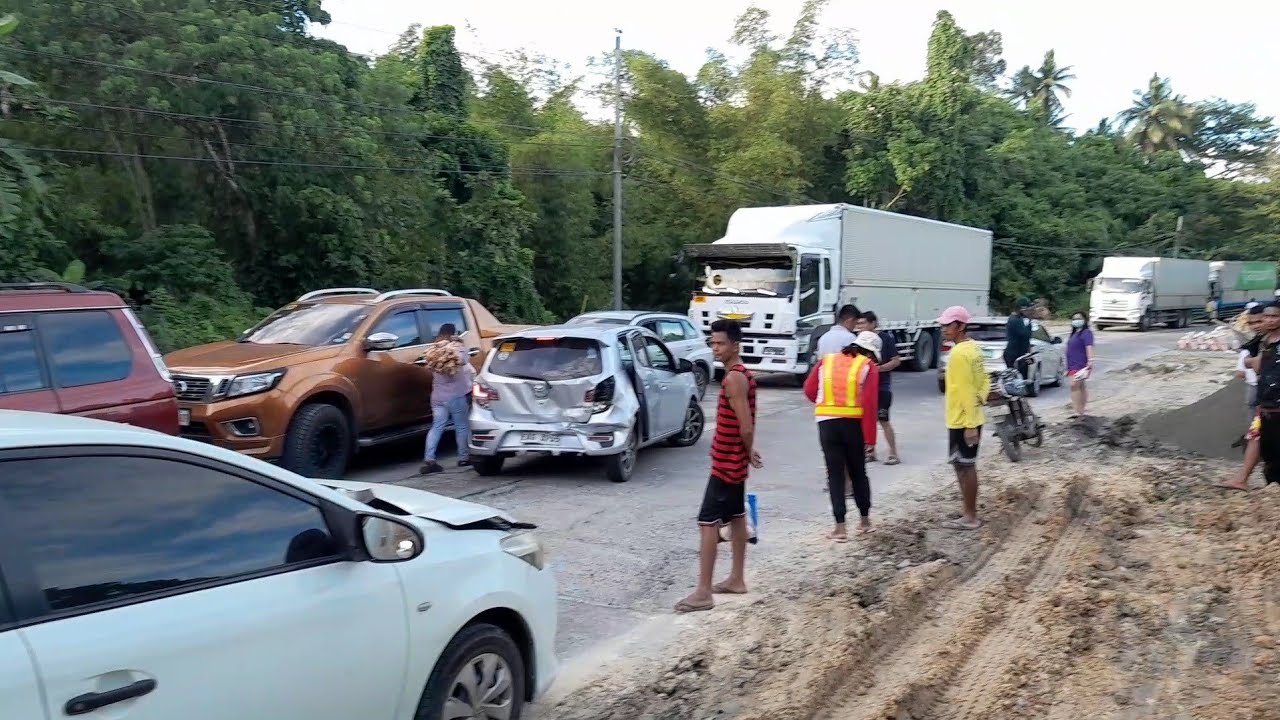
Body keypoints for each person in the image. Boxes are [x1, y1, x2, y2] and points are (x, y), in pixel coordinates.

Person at [676, 319, 760, 613]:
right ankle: (736, 579)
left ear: (735, 345)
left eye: (720, 343)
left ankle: (703, 593)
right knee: (736, 516)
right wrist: (747, 454)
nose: (715, 348)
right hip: (734, 461)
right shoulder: (742, 375)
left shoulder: (733, 379)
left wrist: (749, 452)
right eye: (712, 343)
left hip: (726, 463)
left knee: (707, 522)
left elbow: (745, 426)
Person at [804, 331, 880, 540]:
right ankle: (864, 522)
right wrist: (870, 440)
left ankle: (840, 528)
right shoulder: (868, 366)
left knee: (835, 474)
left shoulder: (826, 361)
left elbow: (810, 390)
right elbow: (870, 404)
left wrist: (828, 404)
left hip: (826, 423)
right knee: (858, 473)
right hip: (853, 424)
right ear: (870, 353)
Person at [938, 306, 990, 529]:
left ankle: (970, 516)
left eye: (949, 325)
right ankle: (968, 512)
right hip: (971, 416)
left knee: (965, 466)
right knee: (964, 465)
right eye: (944, 325)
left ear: (960, 326)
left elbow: (967, 389)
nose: (944, 329)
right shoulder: (974, 349)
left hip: (963, 419)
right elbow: (984, 382)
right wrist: (981, 401)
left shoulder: (959, 353)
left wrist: (969, 424)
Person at [1221, 302, 1280, 491]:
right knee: (1256, 437)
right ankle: (1243, 479)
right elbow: (1255, 364)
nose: (1269, 321)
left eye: (1274, 317)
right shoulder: (1263, 341)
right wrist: (1252, 361)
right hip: (1265, 402)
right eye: (1266, 317)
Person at [814, 304, 860, 495]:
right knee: (847, 446)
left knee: (829, 447)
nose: (855, 326)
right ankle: (848, 485)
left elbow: (819, 366)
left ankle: (831, 481)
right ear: (849, 320)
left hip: (825, 397)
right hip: (846, 398)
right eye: (855, 323)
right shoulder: (850, 339)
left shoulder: (823, 339)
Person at [419, 324, 474, 475]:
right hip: (456, 395)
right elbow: (464, 360)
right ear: (453, 333)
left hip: (437, 396)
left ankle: (429, 459)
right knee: (461, 426)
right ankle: (464, 457)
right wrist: (461, 344)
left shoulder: (434, 350)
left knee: (437, 427)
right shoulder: (456, 348)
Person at [857, 311, 902, 464]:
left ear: (873, 323)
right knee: (866, 420)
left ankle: (893, 453)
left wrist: (879, 369)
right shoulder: (859, 341)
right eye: (859, 324)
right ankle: (870, 452)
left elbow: (896, 361)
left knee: (883, 420)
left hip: (882, 387)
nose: (860, 327)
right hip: (864, 387)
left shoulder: (886, 339)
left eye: (863, 323)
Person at [1066, 312, 1096, 419]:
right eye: (1074, 319)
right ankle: (1081, 411)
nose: (1076, 320)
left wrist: (1090, 361)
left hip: (1080, 364)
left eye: (1079, 318)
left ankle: (1077, 411)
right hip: (1072, 364)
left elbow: (1089, 347)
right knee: (1080, 386)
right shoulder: (1074, 333)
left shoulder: (1086, 333)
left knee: (1074, 386)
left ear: (1084, 320)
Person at [1004, 297, 1034, 379]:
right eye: (1028, 308)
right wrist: (1028, 324)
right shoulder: (1014, 320)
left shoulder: (1020, 319)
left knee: (1023, 378)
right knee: (1017, 380)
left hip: (1021, 354)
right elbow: (1025, 334)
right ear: (1022, 309)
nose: (1030, 310)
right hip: (1014, 354)